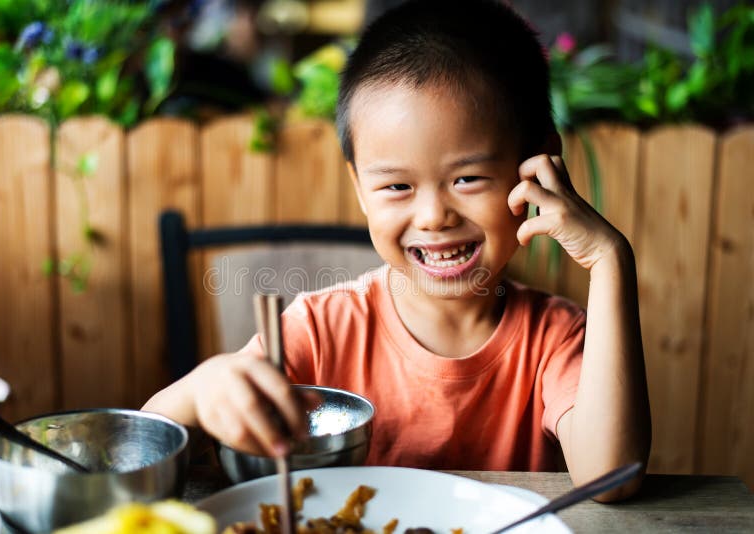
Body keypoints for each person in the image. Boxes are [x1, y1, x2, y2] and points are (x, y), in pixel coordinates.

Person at [143, 0, 651, 501]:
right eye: (396, 187)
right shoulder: (319, 329)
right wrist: (202, 389)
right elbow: (146, 447)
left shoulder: (554, 340)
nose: (433, 216)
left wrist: (610, 260)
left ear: (540, 163)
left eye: (467, 178)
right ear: (360, 187)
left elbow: (614, 475)